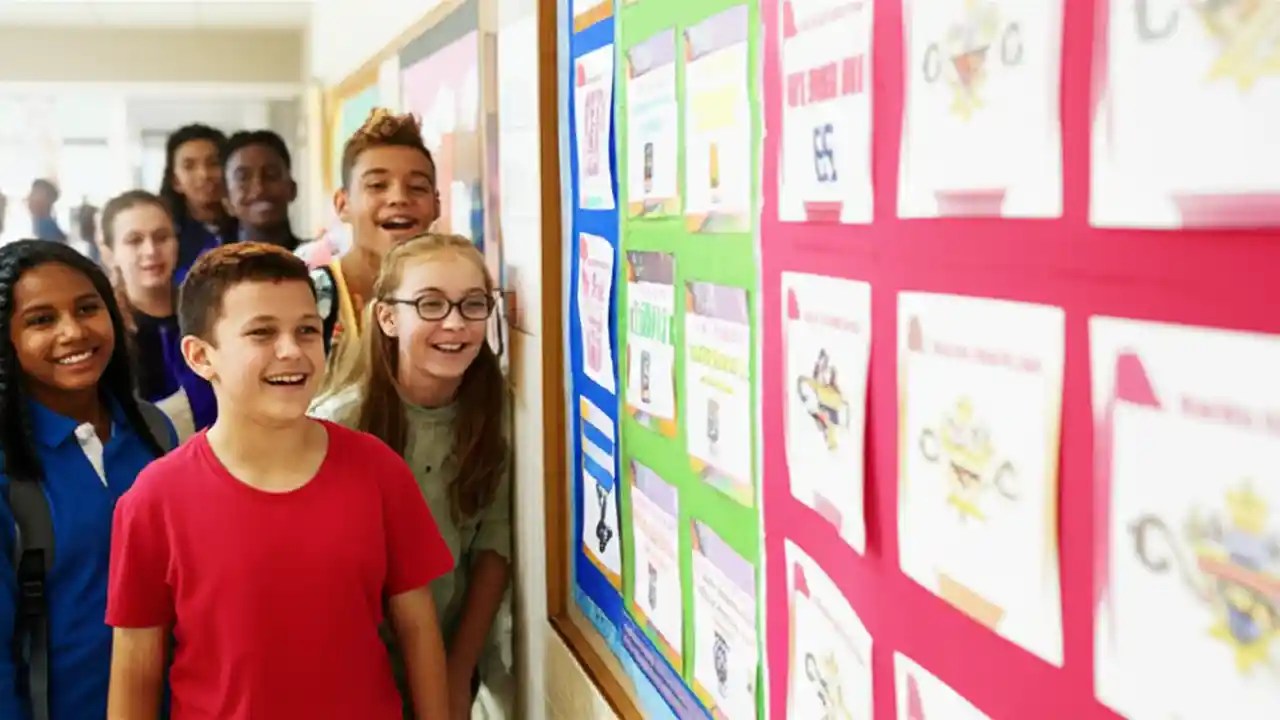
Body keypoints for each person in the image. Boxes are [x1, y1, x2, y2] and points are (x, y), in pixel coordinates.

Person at [105, 242, 453, 720]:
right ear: (201, 356)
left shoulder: (378, 471)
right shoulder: (153, 500)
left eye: (307, 330)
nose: (292, 351)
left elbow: (419, 633)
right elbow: (136, 673)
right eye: (262, 333)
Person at [312, 233, 511, 720]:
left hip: (442, 658)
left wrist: (456, 674)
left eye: (473, 304)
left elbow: (492, 553)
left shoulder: (497, 417)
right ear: (388, 317)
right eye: (430, 304)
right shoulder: (337, 427)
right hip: (348, 673)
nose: (455, 323)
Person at [0, 239, 176, 720]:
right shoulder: (7, 466)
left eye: (87, 308)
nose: (73, 332)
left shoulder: (155, 431)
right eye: (41, 320)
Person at [304, 108, 439, 362]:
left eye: (417, 187)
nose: (399, 198)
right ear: (343, 204)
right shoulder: (308, 298)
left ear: (436, 205)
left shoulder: (453, 298)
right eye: (377, 185)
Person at [99, 190, 217, 439]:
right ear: (110, 253)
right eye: (134, 240)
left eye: (162, 237)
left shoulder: (207, 312)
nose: (151, 250)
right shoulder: (105, 330)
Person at [158, 124, 232, 284]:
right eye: (189, 166)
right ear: (175, 181)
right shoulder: (168, 239)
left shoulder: (248, 230)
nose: (204, 174)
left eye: (213, 163)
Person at [223, 130, 305, 251]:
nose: (259, 189)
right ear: (227, 201)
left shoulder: (318, 261)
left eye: (271, 175)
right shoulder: (214, 268)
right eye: (243, 178)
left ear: (292, 189)